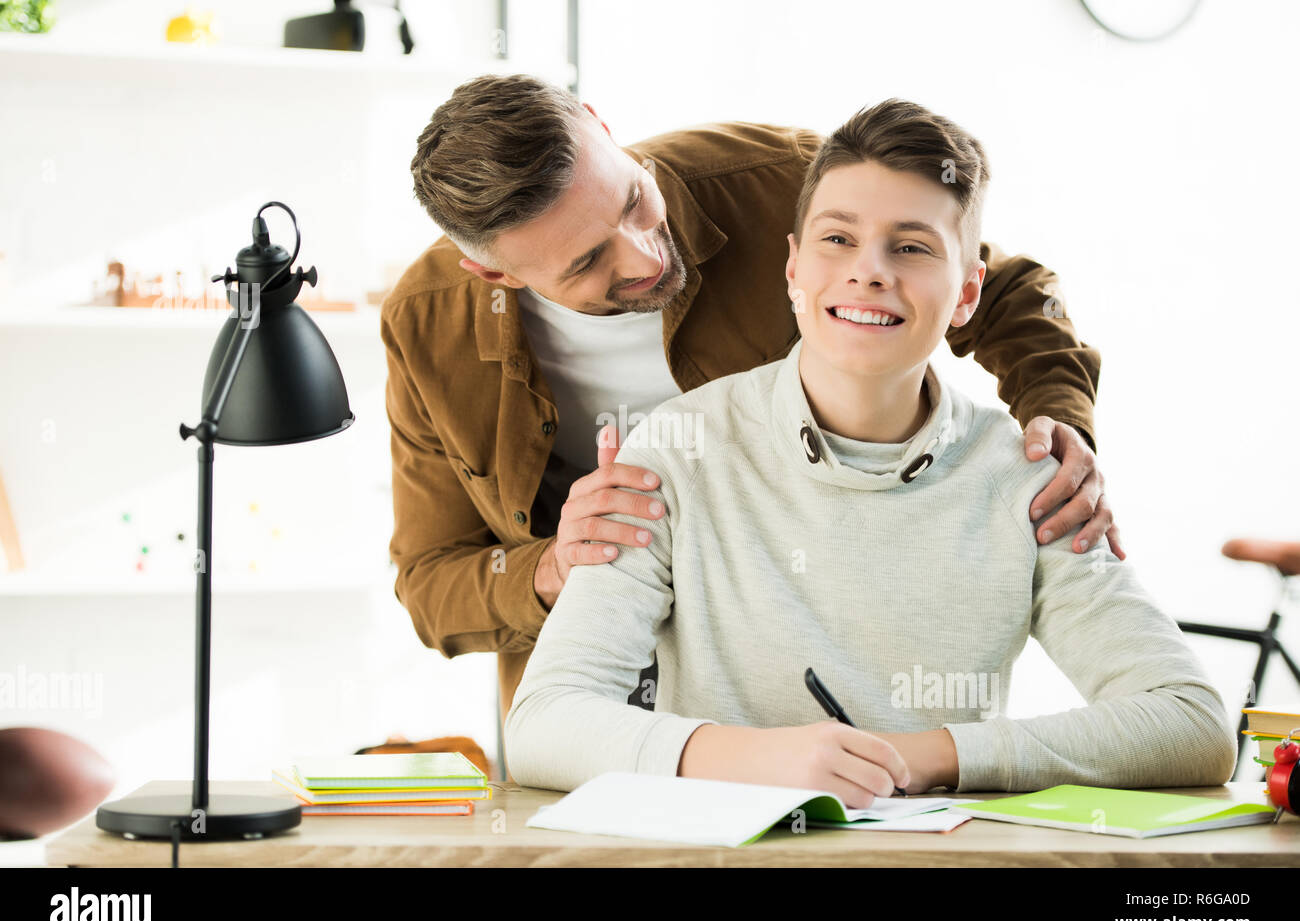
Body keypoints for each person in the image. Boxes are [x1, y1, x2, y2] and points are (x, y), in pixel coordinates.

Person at [503, 98, 1236, 802]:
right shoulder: (673, 449)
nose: (870, 270)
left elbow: (1191, 722)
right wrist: (758, 758)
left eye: (912, 246)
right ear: (792, 269)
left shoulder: (1028, 480)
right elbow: (544, 722)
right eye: (838, 238)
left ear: (968, 294)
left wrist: (926, 758)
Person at [385, 74, 1120, 730]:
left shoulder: (782, 181)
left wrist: (1060, 419)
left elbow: (1005, 287)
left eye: (634, 200)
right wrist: (553, 567)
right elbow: (429, 582)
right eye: (587, 263)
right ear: (491, 271)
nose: (645, 255)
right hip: (590, 719)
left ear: (602, 127)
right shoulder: (425, 325)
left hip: (804, 688)